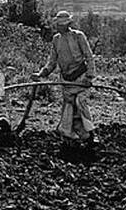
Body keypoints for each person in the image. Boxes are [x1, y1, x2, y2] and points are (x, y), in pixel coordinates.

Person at [38, 10, 96, 145]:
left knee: (80, 103)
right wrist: (42, 73)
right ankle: (69, 136)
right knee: (69, 107)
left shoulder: (78, 36)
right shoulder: (56, 39)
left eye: (62, 24)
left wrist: (90, 76)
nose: (60, 27)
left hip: (81, 78)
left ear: (68, 24)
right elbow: (52, 61)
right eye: (58, 24)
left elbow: (88, 56)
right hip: (66, 81)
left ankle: (89, 134)